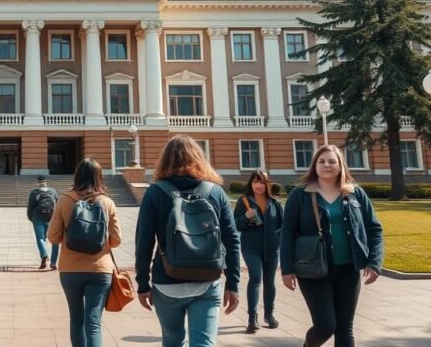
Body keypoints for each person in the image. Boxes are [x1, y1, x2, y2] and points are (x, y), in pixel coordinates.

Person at [134, 135, 241, 347]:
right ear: (199, 158)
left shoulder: (155, 193)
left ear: (164, 160)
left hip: (166, 281)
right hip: (207, 280)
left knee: (173, 342)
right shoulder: (215, 192)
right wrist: (233, 283)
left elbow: (143, 242)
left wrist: (143, 284)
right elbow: (232, 240)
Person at [281, 144, 383, 347]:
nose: (326, 165)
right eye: (321, 161)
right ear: (314, 165)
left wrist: (374, 262)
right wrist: (287, 269)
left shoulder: (355, 194)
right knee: (325, 326)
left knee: (345, 328)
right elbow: (287, 233)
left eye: (331, 161)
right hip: (313, 269)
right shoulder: (300, 195)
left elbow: (374, 229)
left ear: (340, 166)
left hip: (348, 269)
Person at [48, 158, 122, 347]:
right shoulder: (107, 203)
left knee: (76, 318)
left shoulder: (65, 200)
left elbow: (52, 237)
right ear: (99, 177)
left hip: (70, 269)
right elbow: (116, 241)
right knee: (93, 321)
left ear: (77, 175)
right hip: (100, 270)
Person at [233, 170, 284, 334]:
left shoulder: (275, 203)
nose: (259, 185)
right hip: (250, 247)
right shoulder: (244, 201)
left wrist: (277, 240)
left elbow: (284, 227)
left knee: (270, 281)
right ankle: (252, 318)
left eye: (262, 182)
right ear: (251, 184)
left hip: (271, 248)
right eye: (256, 182)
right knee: (255, 277)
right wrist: (246, 218)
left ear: (267, 184)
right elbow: (235, 224)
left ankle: (269, 315)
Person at [26, 174, 60, 270]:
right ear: (46, 183)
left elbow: (30, 207)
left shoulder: (34, 193)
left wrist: (31, 218)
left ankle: (44, 254)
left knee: (40, 238)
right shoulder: (53, 191)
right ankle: (53, 262)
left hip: (38, 218)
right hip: (52, 218)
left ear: (37, 183)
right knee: (55, 240)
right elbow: (58, 205)